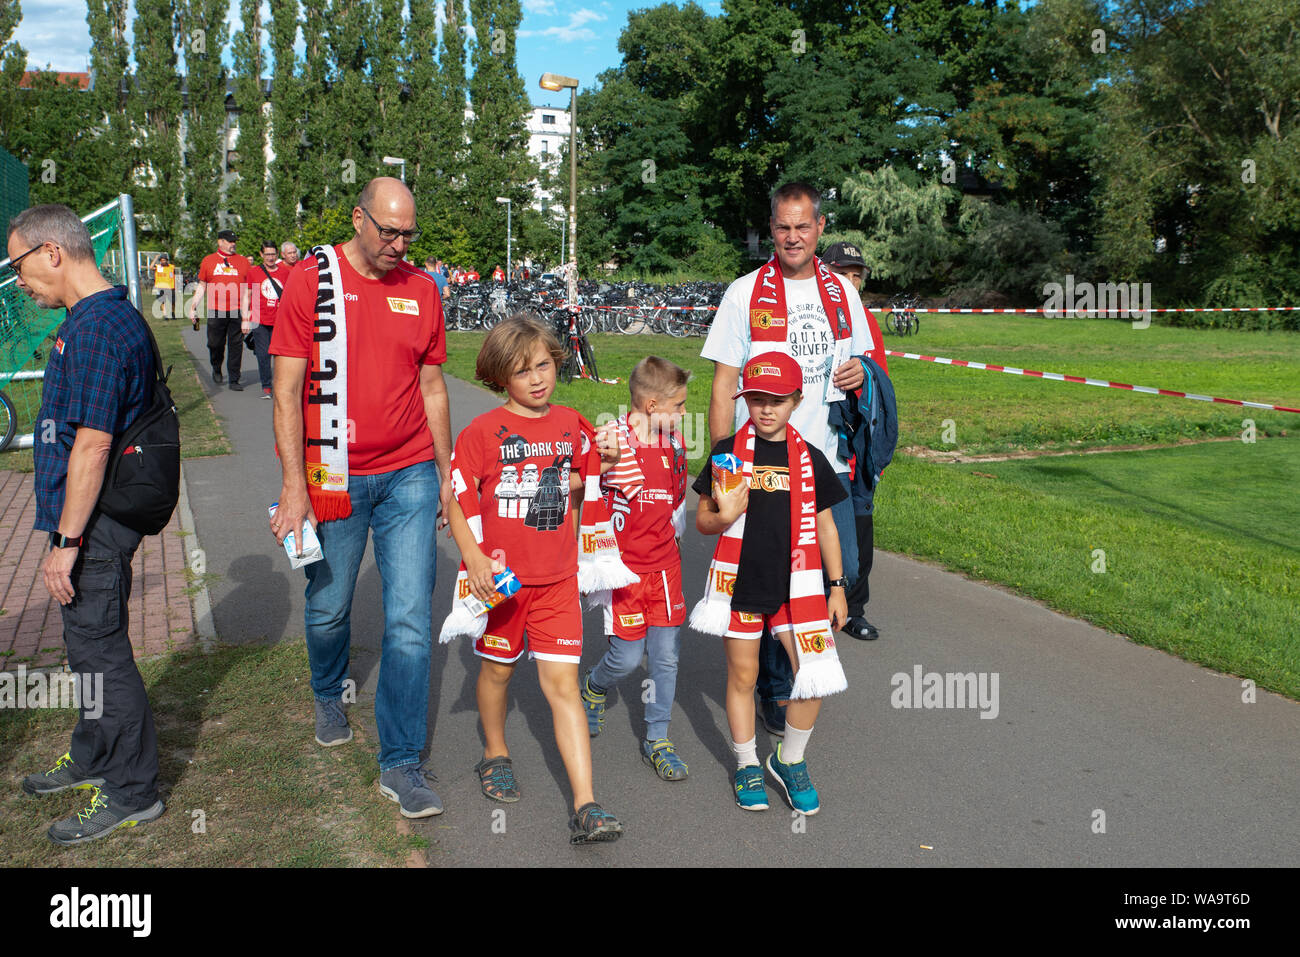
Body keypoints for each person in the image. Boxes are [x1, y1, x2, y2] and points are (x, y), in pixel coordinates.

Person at [269, 177, 454, 819]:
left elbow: (432, 387)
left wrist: (444, 471)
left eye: (409, 233)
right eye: (389, 231)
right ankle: (327, 689)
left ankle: (401, 764)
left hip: (408, 474)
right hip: (331, 476)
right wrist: (294, 485)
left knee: (408, 620)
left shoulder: (423, 290)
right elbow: (287, 389)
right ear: (358, 219)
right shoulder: (309, 281)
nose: (400, 244)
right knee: (328, 608)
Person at [6, 204, 166, 844]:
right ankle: (96, 753)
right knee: (85, 649)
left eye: (19, 264)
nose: (18, 281)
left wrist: (67, 543)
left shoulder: (100, 327)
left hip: (93, 526)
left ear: (52, 253)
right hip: (85, 522)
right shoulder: (89, 318)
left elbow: (94, 446)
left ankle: (132, 790)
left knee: (102, 657)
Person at [701, 182, 877, 736]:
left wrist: (857, 373)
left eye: (803, 226)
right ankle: (776, 691)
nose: (793, 236)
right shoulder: (745, 292)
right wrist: (724, 469)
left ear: (820, 228)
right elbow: (725, 380)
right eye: (783, 227)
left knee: (838, 568)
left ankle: (783, 680)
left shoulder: (840, 292)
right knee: (771, 574)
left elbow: (860, 367)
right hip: (759, 461)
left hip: (822, 459)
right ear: (770, 230)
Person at [445, 316, 625, 844]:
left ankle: (587, 804)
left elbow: (594, 469)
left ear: (556, 361)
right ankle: (494, 753)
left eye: (544, 364)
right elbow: (455, 497)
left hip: (558, 581)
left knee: (562, 687)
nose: (536, 379)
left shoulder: (571, 422)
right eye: (522, 371)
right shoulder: (480, 432)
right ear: (501, 376)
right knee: (498, 672)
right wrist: (475, 558)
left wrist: (608, 454)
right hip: (502, 582)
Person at [692, 351, 848, 815]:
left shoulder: (810, 458)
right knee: (744, 676)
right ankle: (745, 764)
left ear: (797, 401)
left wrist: (837, 586)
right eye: (756, 398)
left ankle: (789, 759)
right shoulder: (727, 454)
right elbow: (702, 520)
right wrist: (724, 513)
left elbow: (826, 527)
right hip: (740, 586)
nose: (765, 409)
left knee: (814, 677)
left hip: (794, 589)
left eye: (776, 400)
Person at [580, 356, 691, 780]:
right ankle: (594, 684)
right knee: (626, 659)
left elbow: (677, 497)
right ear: (650, 406)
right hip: (623, 571)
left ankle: (657, 738)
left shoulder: (676, 443)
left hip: (664, 568)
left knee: (665, 659)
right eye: (678, 406)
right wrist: (602, 459)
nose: (685, 413)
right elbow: (586, 484)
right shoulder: (611, 440)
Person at [822, 240, 890, 640]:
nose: (851, 282)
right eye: (842, 274)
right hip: (825, 440)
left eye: (856, 276)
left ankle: (855, 608)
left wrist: (864, 376)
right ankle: (817, 605)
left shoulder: (864, 319)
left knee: (860, 530)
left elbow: (878, 377)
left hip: (856, 441)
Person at [189, 228, 252, 390]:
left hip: (236, 310)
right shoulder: (209, 261)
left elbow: (248, 291)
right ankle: (216, 367)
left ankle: (234, 379)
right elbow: (202, 286)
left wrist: (246, 317)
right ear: (220, 242)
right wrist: (193, 306)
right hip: (216, 310)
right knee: (215, 344)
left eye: (234, 241)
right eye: (230, 241)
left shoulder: (243, 262)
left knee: (236, 345)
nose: (233, 244)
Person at [248, 240, 292, 400]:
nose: (270, 258)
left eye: (273, 254)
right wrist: (245, 318)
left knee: (280, 355)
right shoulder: (254, 273)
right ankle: (266, 385)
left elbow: (289, 296)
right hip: (259, 318)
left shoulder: (285, 273)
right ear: (261, 255)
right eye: (267, 254)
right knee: (263, 354)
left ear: (277, 255)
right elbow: (248, 295)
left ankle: (281, 384)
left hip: (279, 320)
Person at [151, 253, 175, 319]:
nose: (163, 261)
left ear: (167, 260)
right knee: (162, 301)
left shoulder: (171, 267)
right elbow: (151, 267)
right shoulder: (158, 267)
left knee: (172, 301)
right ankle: (165, 315)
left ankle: (172, 312)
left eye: (164, 260)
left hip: (170, 286)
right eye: (161, 260)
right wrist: (155, 258)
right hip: (160, 287)